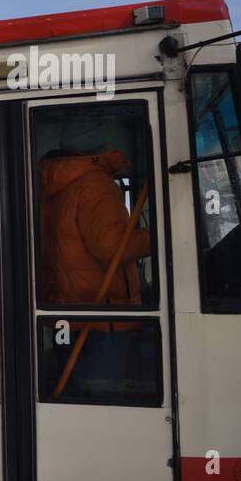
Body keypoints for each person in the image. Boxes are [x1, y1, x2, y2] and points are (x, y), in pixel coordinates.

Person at [39, 119, 152, 398]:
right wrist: (155, 237)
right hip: (101, 313)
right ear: (100, 147)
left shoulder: (55, 182)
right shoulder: (95, 184)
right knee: (104, 399)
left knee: (77, 395)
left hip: (67, 308)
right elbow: (111, 248)